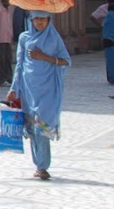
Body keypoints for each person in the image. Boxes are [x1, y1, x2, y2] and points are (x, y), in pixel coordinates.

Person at [7, 10, 71, 181]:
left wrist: (44, 57)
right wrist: (14, 88)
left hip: (48, 89)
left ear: (48, 20)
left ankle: (43, 166)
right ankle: (38, 164)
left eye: (43, 19)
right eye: (37, 19)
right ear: (32, 20)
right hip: (28, 89)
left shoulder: (53, 38)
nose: (40, 23)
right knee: (32, 129)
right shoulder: (24, 38)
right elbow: (20, 64)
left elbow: (66, 61)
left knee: (41, 127)